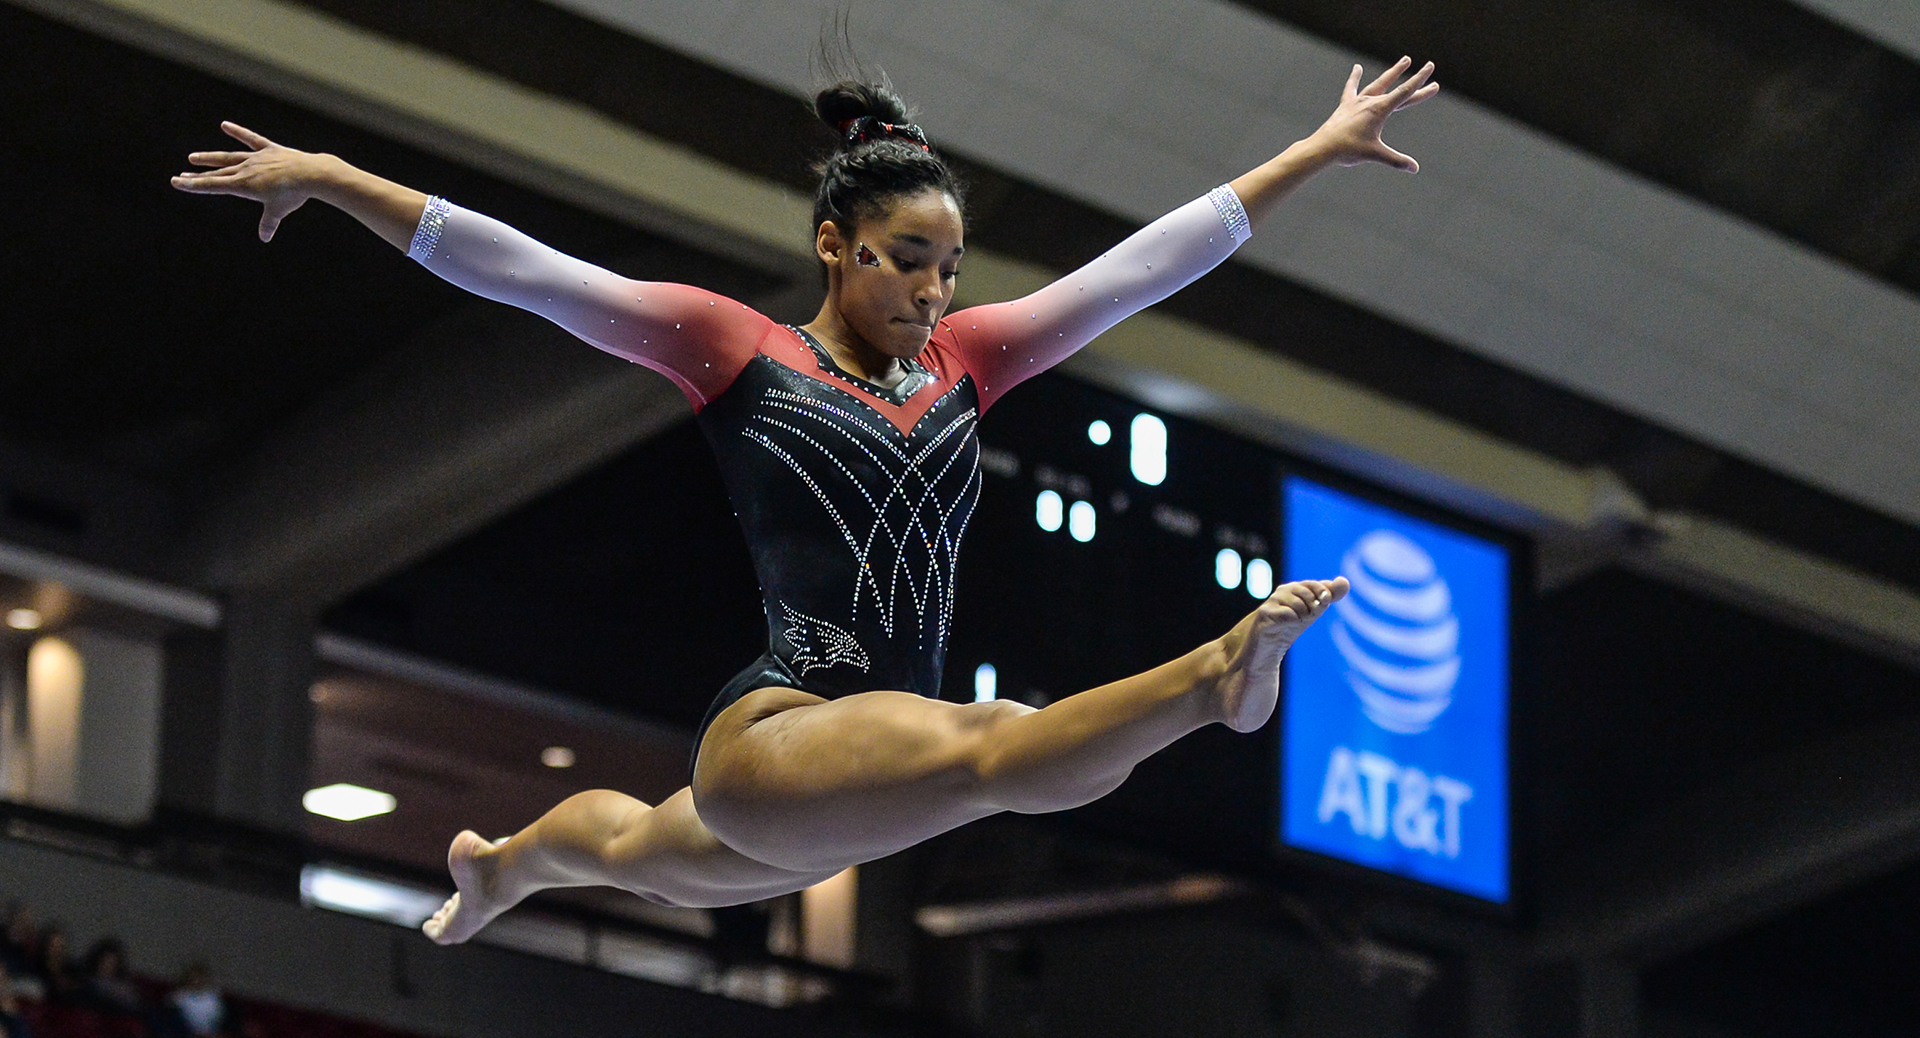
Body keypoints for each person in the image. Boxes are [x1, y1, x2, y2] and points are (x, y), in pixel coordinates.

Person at [173, 54, 1438, 942]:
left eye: (951, 269)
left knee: (630, 854)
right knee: (996, 744)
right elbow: (530, 274)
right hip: (780, 736)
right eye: (908, 262)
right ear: (835, 246)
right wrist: (337, 177)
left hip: (851, 794)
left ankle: (501, 868)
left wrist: (1310, 152)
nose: (933, 293)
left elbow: (1143, 268)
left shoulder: (971, 361)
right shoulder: (739, 350)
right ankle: (1214, 679)